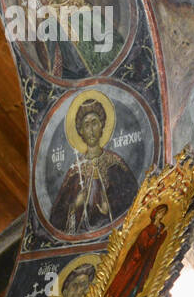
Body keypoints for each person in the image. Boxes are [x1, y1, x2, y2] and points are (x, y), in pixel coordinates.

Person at [49, 96, 139, 233]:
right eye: (86, 125)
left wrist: (109, 207)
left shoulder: (115, 163)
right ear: (81, 132)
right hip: (83, 236)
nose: (91, 130)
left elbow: (134, 197)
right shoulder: (75, 170)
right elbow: (55, 218)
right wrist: (75, 205)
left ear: (102, 126)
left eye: (94, 123)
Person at [92, 204, 169, 297]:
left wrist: (161, 237)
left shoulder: (159, 229)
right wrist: (155, 239)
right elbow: (138, 250)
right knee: (121, 295)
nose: (161, 215)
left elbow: (155, 249)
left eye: (164, 213)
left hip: (141, 270)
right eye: (160, 213)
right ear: (155, 214)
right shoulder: (147, 231)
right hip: (132, 269)